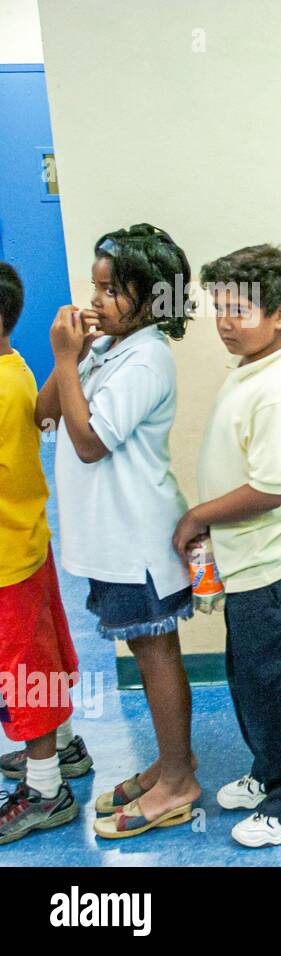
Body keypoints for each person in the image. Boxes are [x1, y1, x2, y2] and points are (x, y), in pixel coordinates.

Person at [30, 226, 201, 840]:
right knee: (144, 650)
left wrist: (70, 361)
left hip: (139, 540)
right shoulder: (107, 348)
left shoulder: (148, 357)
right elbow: (47, 414)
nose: (96, 300)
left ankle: (180, 779)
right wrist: (67, 361)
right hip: (111, 541)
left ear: (154, 299)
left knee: (156, 654)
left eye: (112, 290)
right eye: (95, 287)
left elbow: (89, 440)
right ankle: (171, 760)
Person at [174, 245, 281, 847]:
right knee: (255, 681)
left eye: (239, 309)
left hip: (276, 569)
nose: (224, 321)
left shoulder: (278, 389)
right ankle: (273, 773)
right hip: (247, 567)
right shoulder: (249, 370)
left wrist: (197, 516)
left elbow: (269, 489)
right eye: (219, 307)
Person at [0, 261, 85, 845]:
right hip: (27, 543)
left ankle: (46, 789)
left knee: (21, 672)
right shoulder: (15, 368)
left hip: (7, 561)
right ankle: (64, 747)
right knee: (39, 656)